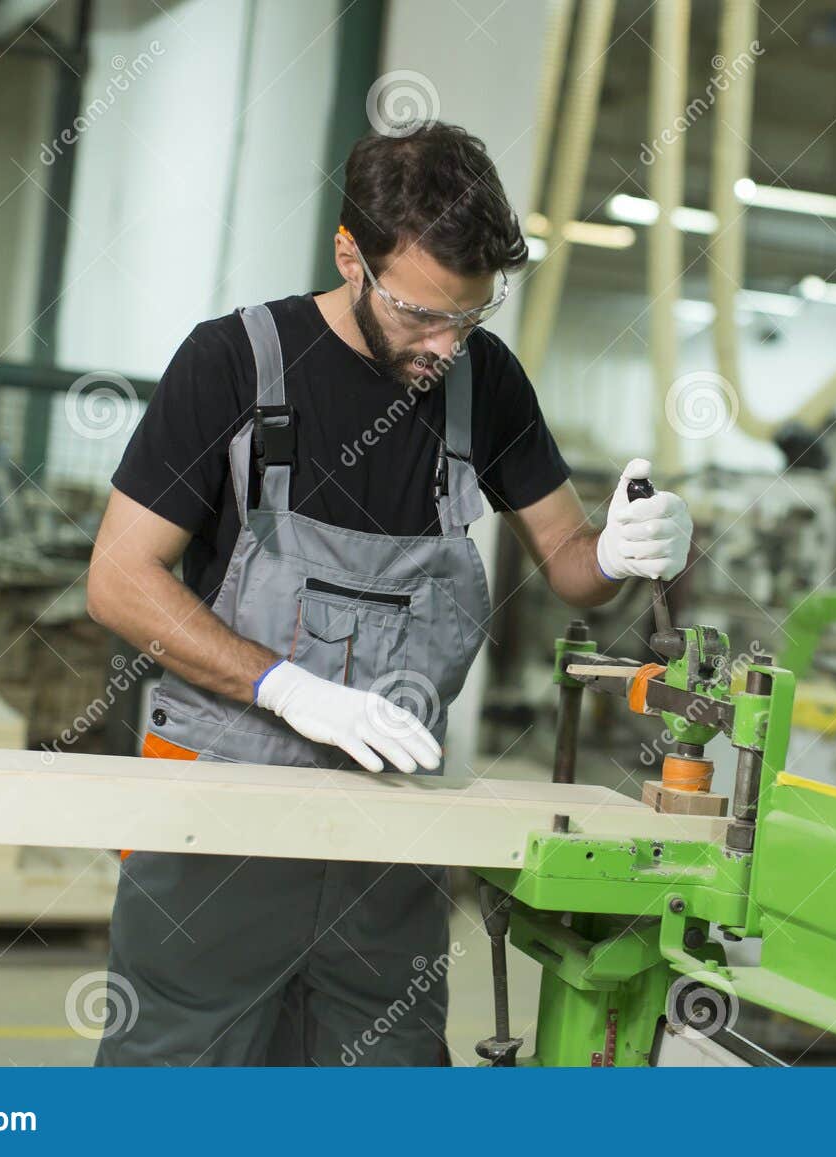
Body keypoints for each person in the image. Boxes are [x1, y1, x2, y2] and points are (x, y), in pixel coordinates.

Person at [83, 123, 692, 1065]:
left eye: (471, 318)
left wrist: (620, 550)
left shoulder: (480, 380)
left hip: (387, 832)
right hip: (217, 815)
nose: (446, 345)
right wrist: (287, 686)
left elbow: (570, 560)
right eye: (421, 315)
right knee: (180, 1077)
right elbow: (118, 580)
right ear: (349, 256)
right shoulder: (233, 362)